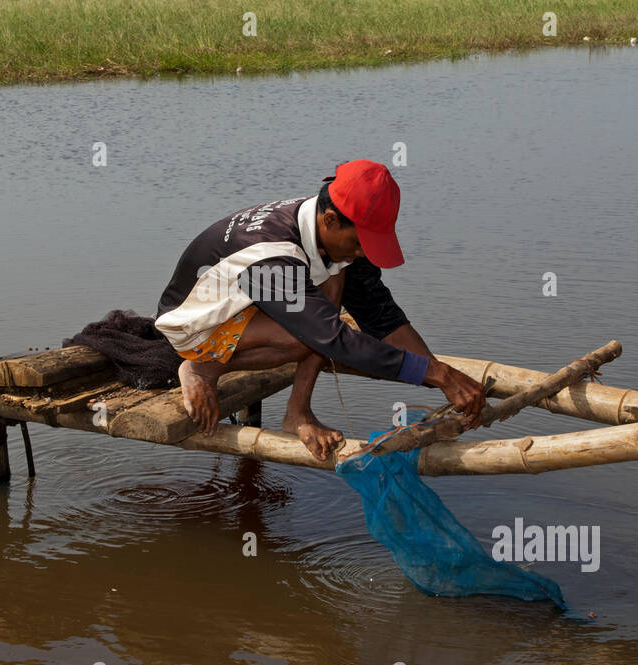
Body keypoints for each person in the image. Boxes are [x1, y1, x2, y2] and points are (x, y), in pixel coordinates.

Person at [154, 159, 487, 460]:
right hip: (195, 325)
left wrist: (440, 377)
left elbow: (380, 316)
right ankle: (204, 371)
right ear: (330, 220)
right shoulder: (272, 254)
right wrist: (440, 375)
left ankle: (297, 409)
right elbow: (331, 338)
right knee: (311, 334)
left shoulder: (327, 229)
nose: (362, 252)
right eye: (359, 243)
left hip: (249, 306)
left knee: (333, 285)